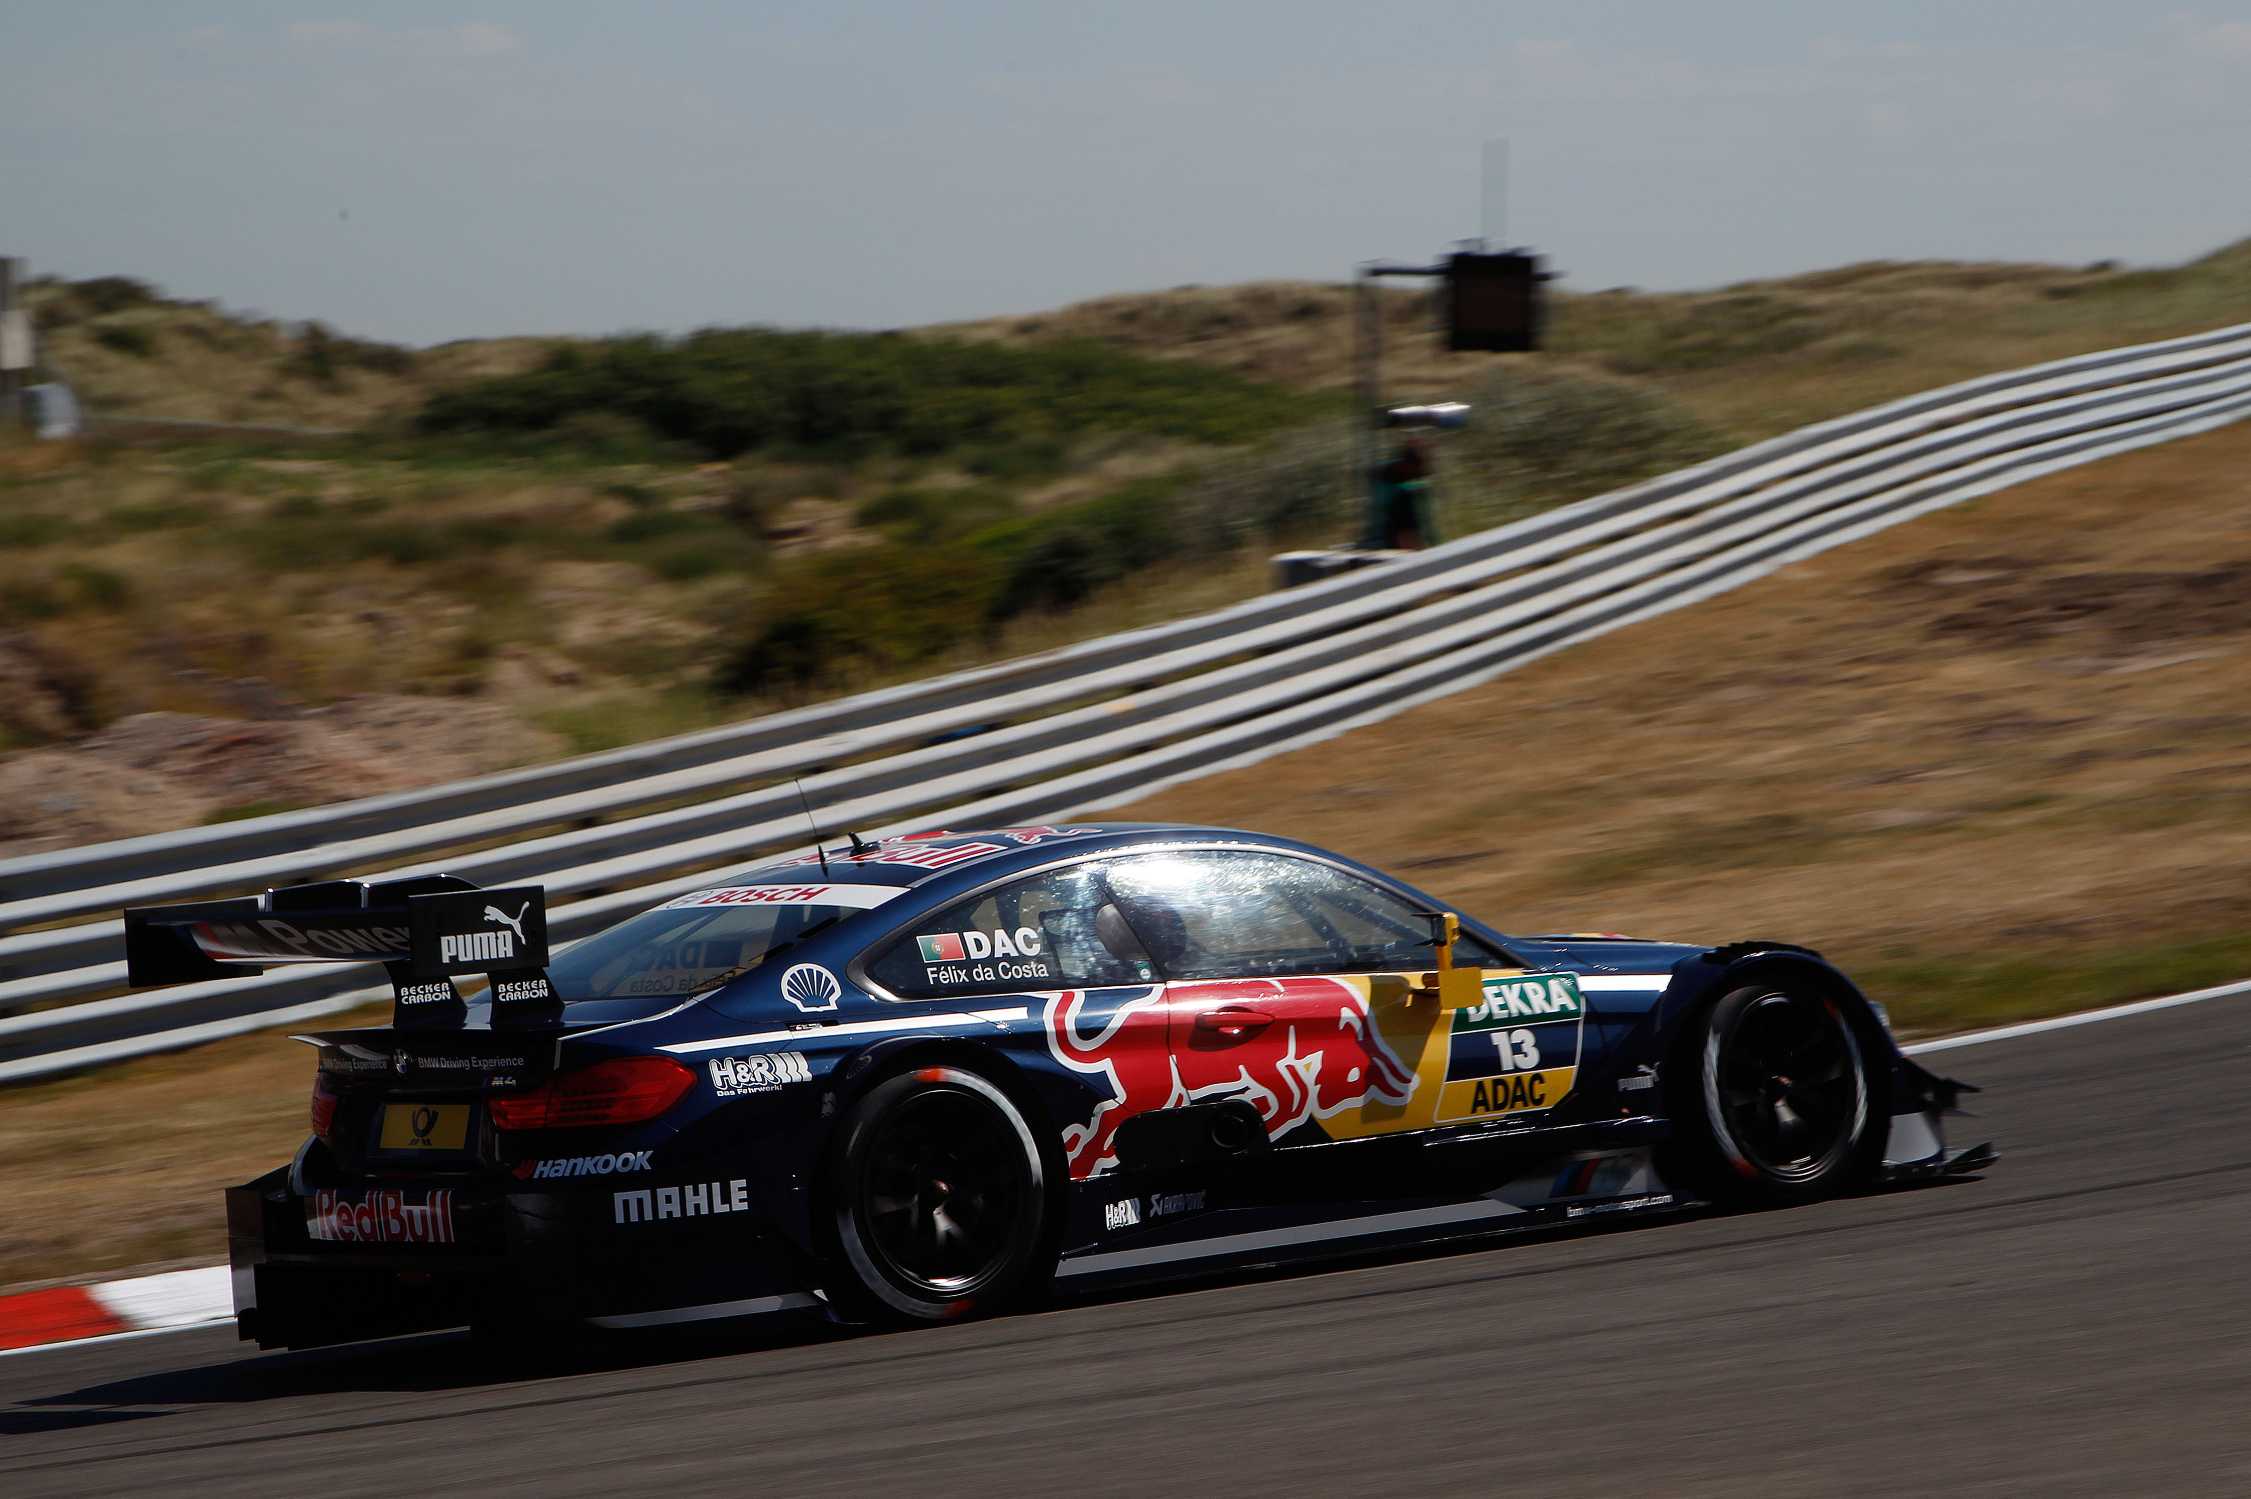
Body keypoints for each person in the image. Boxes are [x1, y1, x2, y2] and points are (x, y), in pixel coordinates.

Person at [1362, 436, 1437, 550]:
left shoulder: (1405, 486)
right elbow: (1404, 533)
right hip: (1390, 542)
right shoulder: (1401, 494)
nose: (1417, 476)